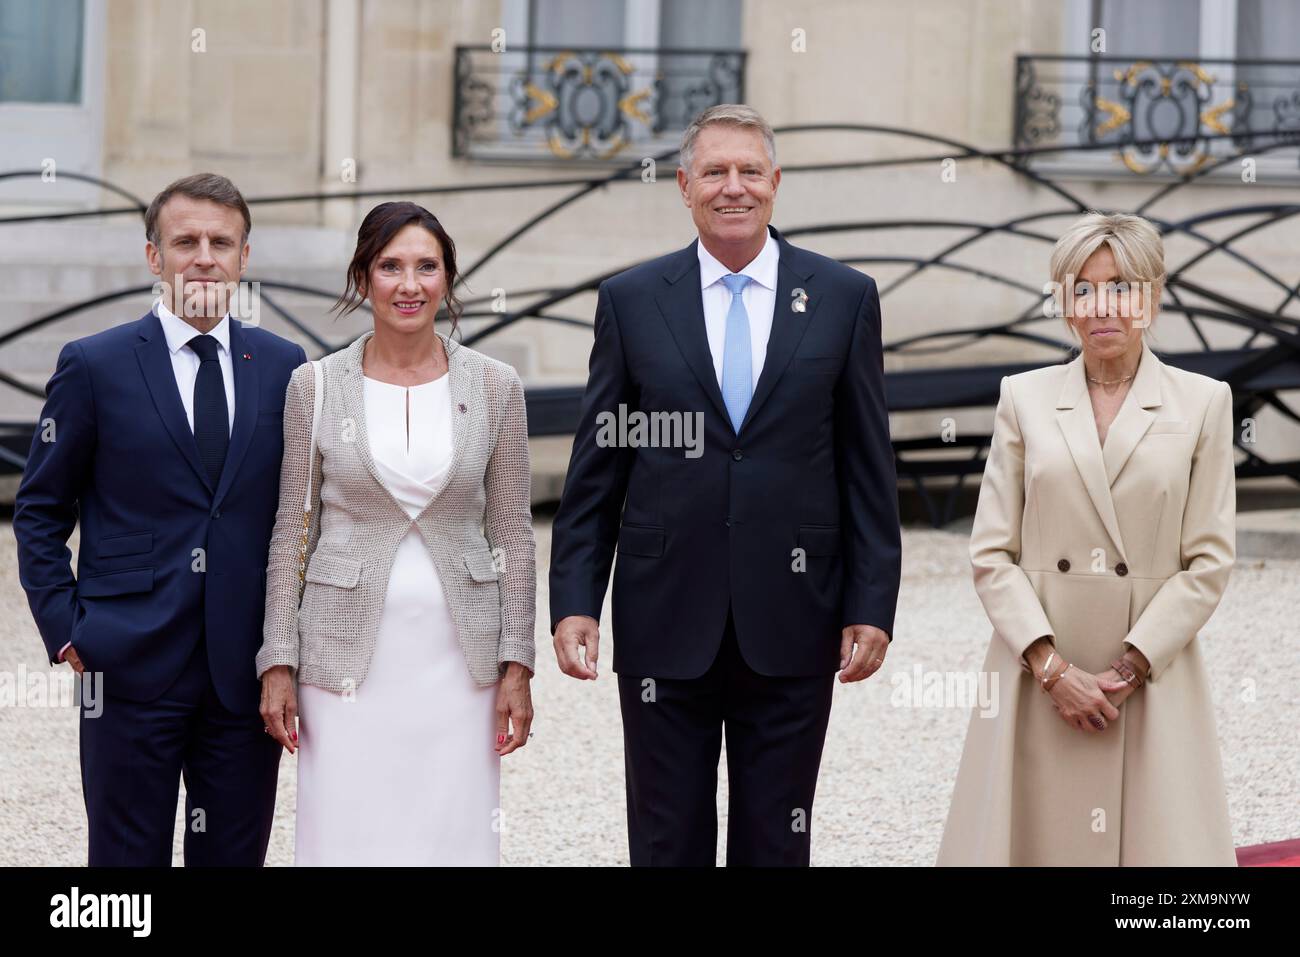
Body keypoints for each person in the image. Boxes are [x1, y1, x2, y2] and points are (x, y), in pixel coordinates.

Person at [549, 104, 902, 866]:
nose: (732, 187)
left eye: (749, 171)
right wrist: (577, 597)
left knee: (777, 838)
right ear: (683, 185)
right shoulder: (632, 301)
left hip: (796, 616)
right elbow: (599, 468)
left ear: (775, 183)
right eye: (714, 171)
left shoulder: (843, 297)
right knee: (665, 837)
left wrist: (872, 603)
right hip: (663, 615)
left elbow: (867, 464)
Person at [14, 173, 306, 865]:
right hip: (125, 662)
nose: (203, 256)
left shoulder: (285, 367)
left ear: (244, 256)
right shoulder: (95, 365)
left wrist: (287, 652)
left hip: (244, 672)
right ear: (155, 257)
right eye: (185, 241)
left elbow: (299, 515)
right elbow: (39, 509)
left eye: (220, 242)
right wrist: (66, 629)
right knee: (124, 864)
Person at [937, 212, 1238, 866]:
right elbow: (992, 552)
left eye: (1123, 286)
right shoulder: (1024, 398)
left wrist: (1130, 665)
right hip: (1038, 674)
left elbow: (1209, 560)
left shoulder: (1203, 402)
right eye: (1083, 288)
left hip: (1152, 678)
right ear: (1065, 303)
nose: (1103, 305)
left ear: (1153, 296)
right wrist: (1052, 667)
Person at [256, 201, 535, 866]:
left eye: (426, 267)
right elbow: (291, 532)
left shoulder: (496, 386)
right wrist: (278, 659)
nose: (409, 284)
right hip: (343, 659)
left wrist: (517, 665)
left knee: (453, 832)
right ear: (362, 277)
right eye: (390, 266)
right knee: (348, 832)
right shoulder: (316, 386)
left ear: (447, 279)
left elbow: (514, 533)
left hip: (459, 660)